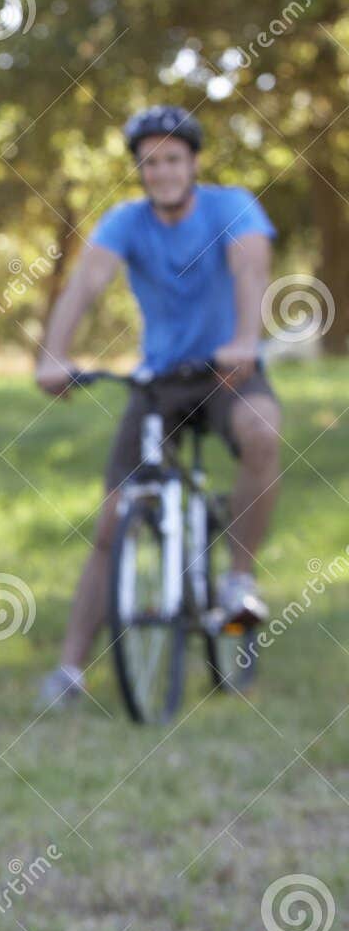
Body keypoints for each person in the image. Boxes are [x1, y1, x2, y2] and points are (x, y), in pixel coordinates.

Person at [34, 106, 282, 708]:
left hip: (228, 370)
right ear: (140, 170)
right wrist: (54, 353)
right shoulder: (127, 221)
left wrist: (246, 338)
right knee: (113, 520)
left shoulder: (232, 206)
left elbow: (250, 265)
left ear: (193, 162)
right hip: (159, 382)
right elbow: (87, 282)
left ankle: (238, 581)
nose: (162, 170)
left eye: (173, 158)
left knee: (262, 433)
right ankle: (70, 670)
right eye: (150, 162)